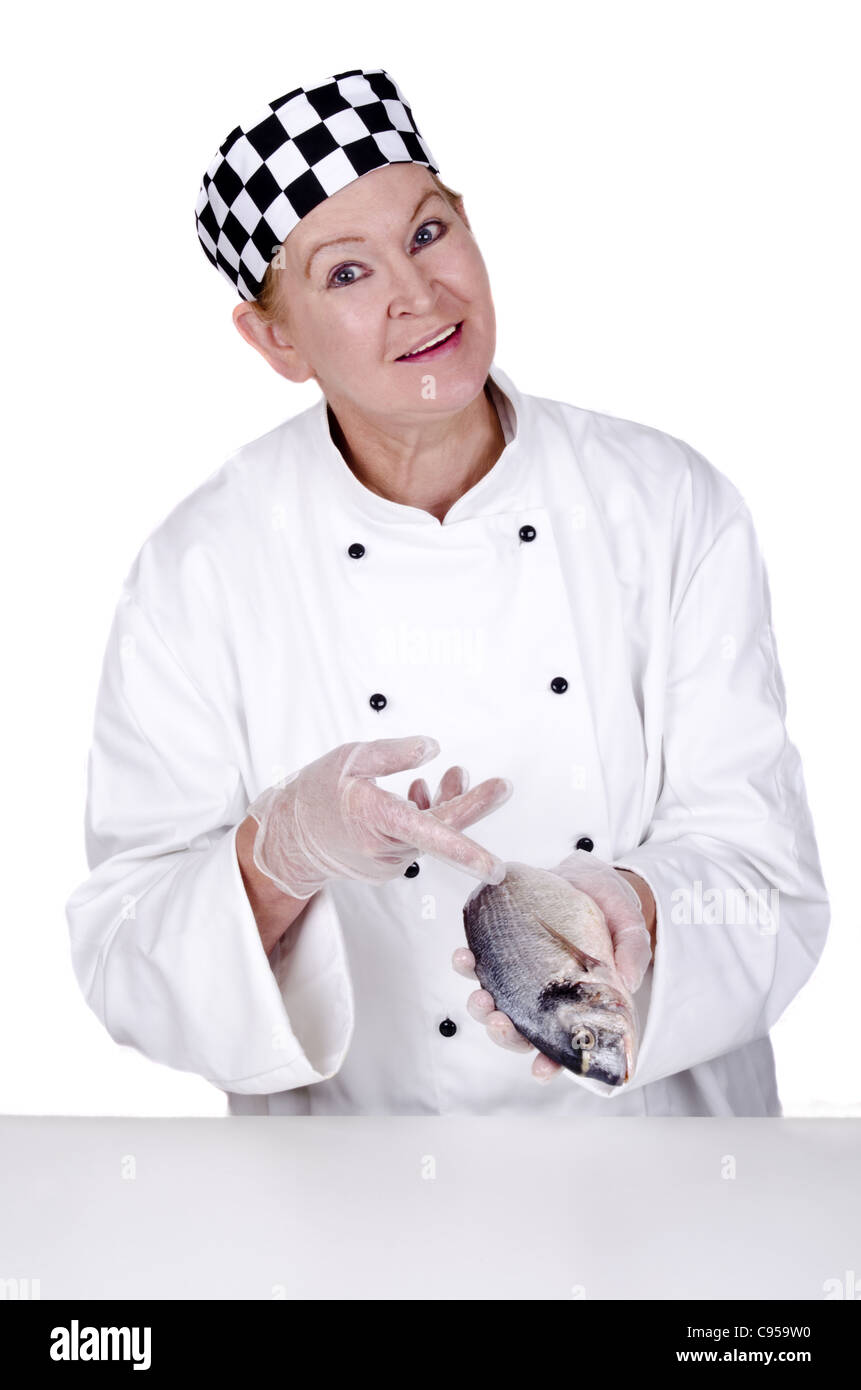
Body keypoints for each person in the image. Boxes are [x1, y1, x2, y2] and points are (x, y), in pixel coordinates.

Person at [65, 67, 830, 1116]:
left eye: (428, 234)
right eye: (345, 274)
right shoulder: (201, 568)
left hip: (659, 1172)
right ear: (274, 338)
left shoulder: (667, 507)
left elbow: (764, 875)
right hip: (354, 1204)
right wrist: (279, 854)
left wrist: (635, 903)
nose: (419, 296)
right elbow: (123, 947)